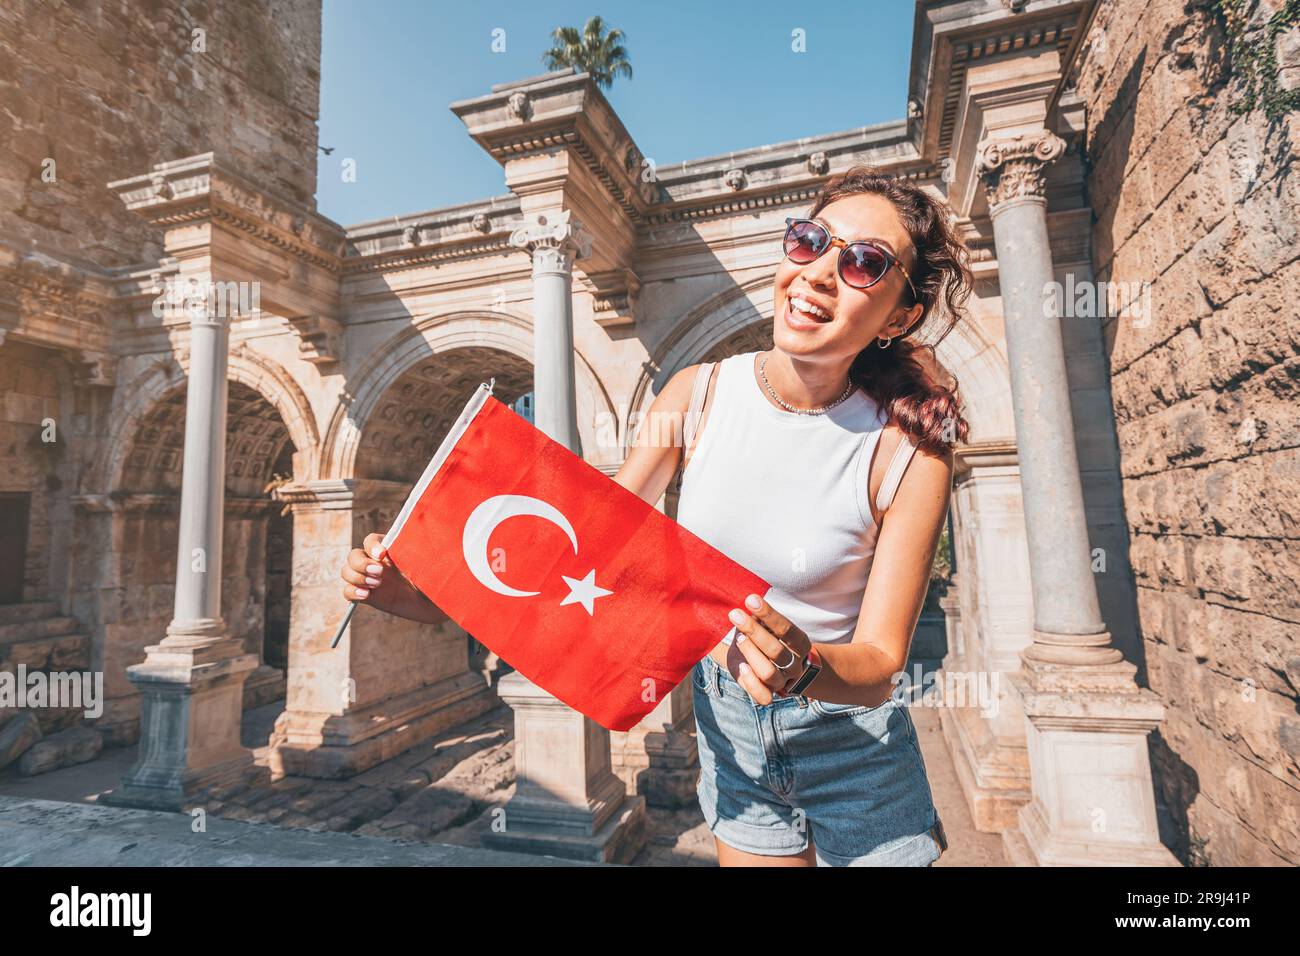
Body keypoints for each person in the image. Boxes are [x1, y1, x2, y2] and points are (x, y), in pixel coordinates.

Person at [339, 163, 972, 867]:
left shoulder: (910, 450)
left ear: (901, 315)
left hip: (855, 745)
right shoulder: (694, 397)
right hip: (733, 735)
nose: (821, 272)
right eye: (810, 241)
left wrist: (806, 664)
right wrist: (419, 593)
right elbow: (580, 566)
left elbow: (883, 663)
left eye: (863, 263)